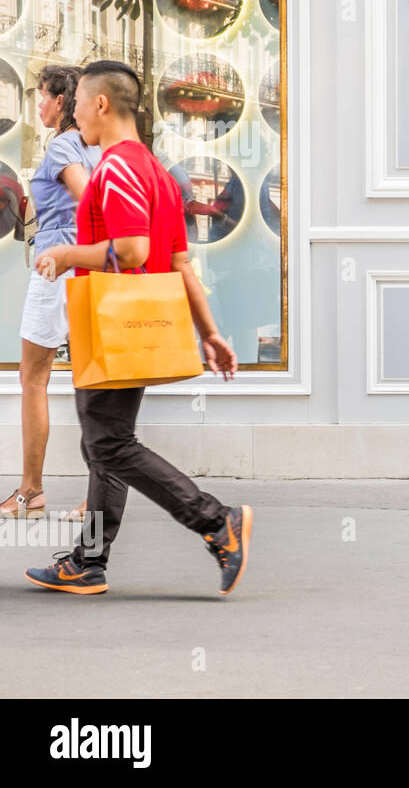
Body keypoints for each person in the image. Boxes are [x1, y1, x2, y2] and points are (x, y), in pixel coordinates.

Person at [24, 60, 251, 597]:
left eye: (78, 100)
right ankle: (89, 561)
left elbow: (132, 252)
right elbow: (180, 262)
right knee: (106, 442)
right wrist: (211, 332)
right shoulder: (156, 171)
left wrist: (62, 252)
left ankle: (216, 521)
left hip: (114, 322)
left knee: (108, 443)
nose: (74, 111)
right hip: (133, 322)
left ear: (100, 104)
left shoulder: (118, 169)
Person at [2, 66, 98, 519]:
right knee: (94, 380)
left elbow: (94, 201)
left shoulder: (63, 144)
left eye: (42, 96)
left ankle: (30, 491)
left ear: (61, 101)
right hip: (91, 266)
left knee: (33, 377)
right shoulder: (97, 144)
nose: (38, 105)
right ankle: (94, 499)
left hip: (58, 266)